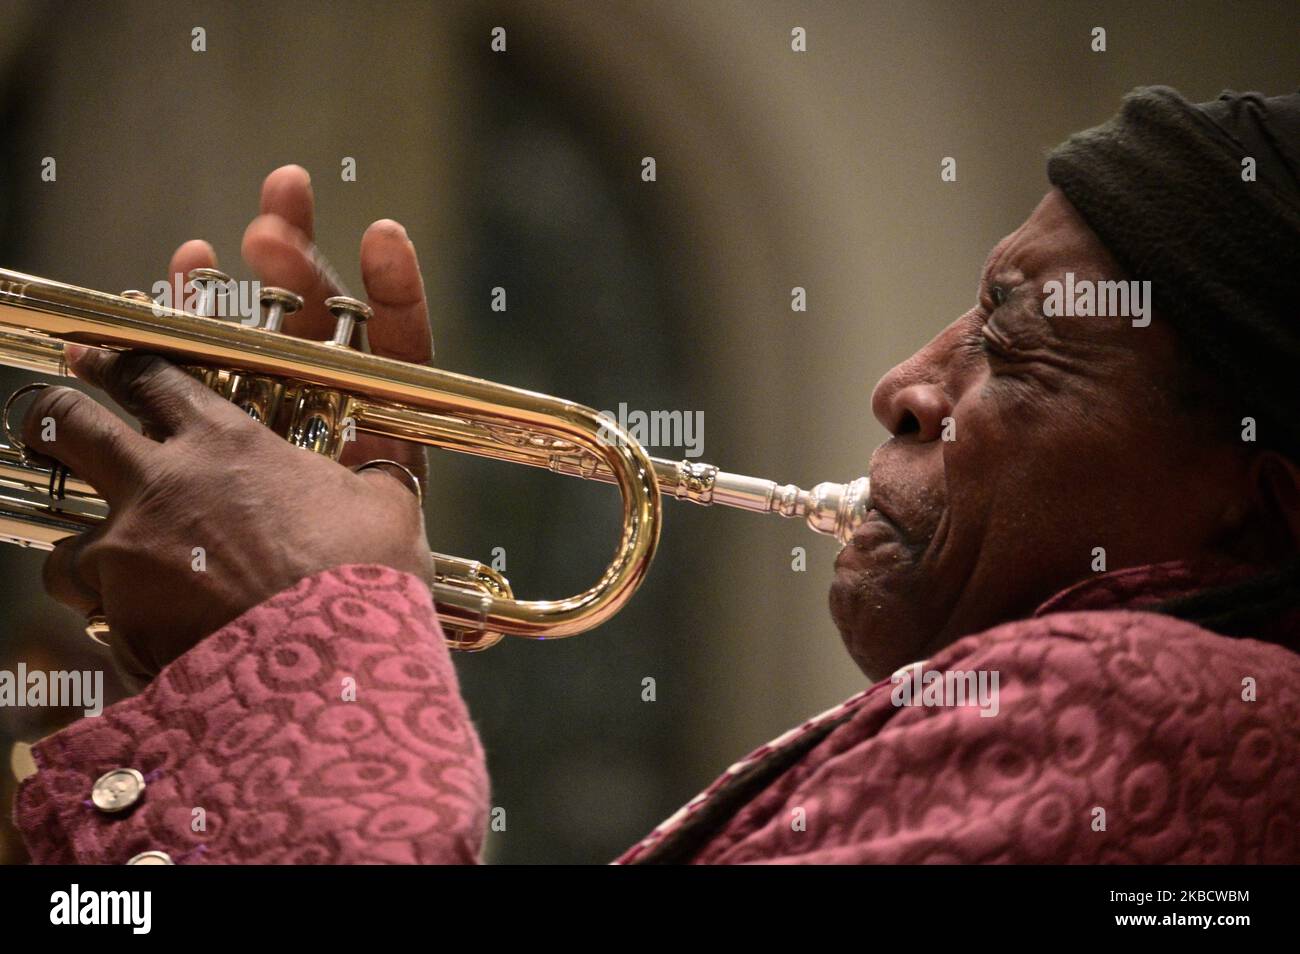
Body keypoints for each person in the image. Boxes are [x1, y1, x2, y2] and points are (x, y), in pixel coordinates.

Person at [11, 86, 1300, 864]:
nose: (904, 386)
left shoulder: (1162, 701)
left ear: (1259, 497)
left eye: (1018, 338)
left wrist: (303, 645)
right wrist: (214, 678)